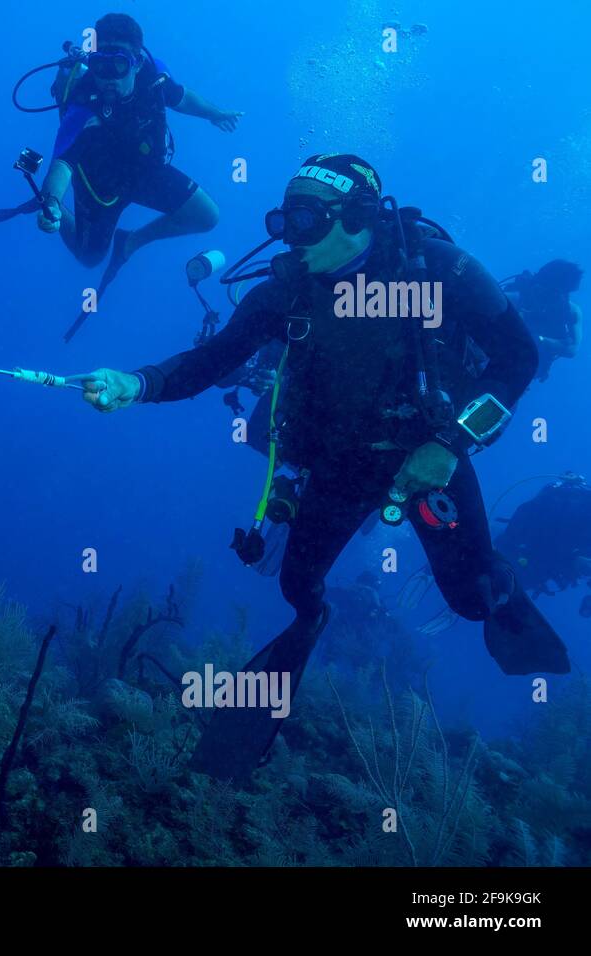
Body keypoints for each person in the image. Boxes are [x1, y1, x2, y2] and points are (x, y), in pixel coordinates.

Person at [68, 153, 571, 782]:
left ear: (358, 217)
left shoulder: (439, 270)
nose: (289, 236)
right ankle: (308, 632)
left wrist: (447, 444)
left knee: (471, 599)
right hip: (340, 463)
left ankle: (502, 598)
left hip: (428, 457)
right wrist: (134, 383)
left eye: (306, 220)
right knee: (296, 587)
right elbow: (210, 360)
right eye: (284, 219)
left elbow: (517, 359)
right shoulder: (286, 290)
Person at [38, 13, 240, 299]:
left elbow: (182, 97)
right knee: (89, 259)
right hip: (99, 188)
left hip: (146, 173)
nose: (107, 78)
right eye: (99, 65)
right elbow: (62, 162)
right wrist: (52, 202)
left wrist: (214, 114)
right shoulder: (83, 101)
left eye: (118, 65)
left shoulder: (155, 77)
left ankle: (131, 242)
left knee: (206, 217)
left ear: (137, 62)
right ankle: (54, 211)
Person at [494, 473, 591, 596]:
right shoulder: (583, 514)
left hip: (529, 558)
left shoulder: (542, 504)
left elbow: (512, 532)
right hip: (530, 558)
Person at [503, 260, 583, 381]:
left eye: (555, 294)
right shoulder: (513, 298)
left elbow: (572, 350)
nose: (547, 298)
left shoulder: (571, 311)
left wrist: (538, 339)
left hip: (520, 371)